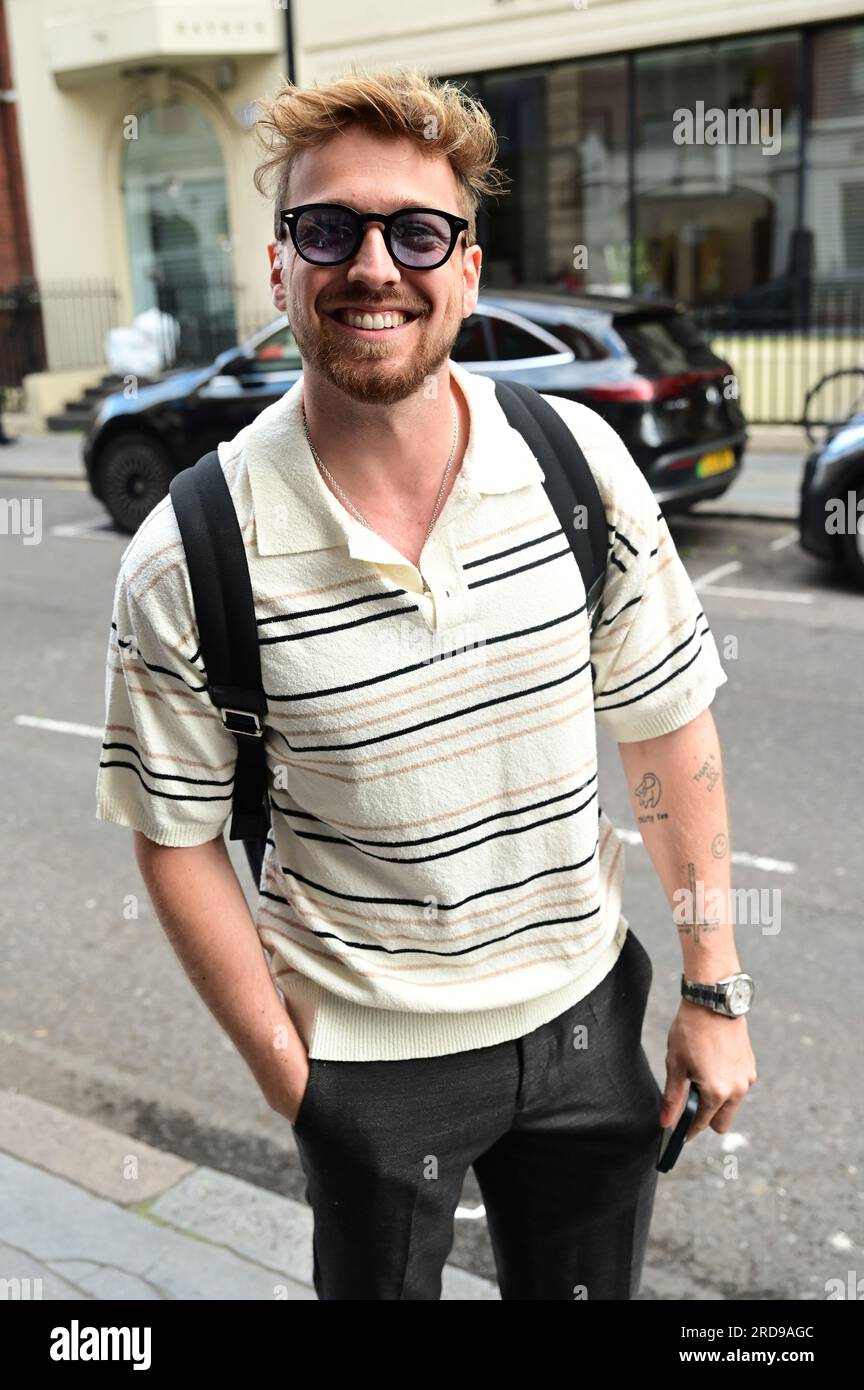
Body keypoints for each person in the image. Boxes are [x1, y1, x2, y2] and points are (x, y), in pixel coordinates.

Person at [95, 67, 757, 1301]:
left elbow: (670, 732)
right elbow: (174, 836)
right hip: (367, 1064)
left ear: (465, 265)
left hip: (582, 1026)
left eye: (417, 230)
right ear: (281, 263)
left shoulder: (579, 466)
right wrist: (295, 1079)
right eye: (328, 227)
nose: (374, 266)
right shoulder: (190, 552)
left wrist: (715, 985)